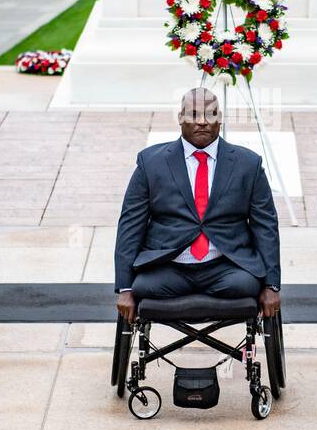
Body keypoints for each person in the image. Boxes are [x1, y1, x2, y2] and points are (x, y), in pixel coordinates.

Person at [115, 87, 282, 324]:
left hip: (227, 270)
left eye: (211, 114)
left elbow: (265, 226)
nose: (202, 121)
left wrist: (272, 285)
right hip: (168, 268)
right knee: (142, 287)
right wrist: (124, 288)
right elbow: (130, 226)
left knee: (247, 284)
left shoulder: (248, 164)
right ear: (180, 118)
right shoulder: (150, 162)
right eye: (193, 114)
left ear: (220, 118)